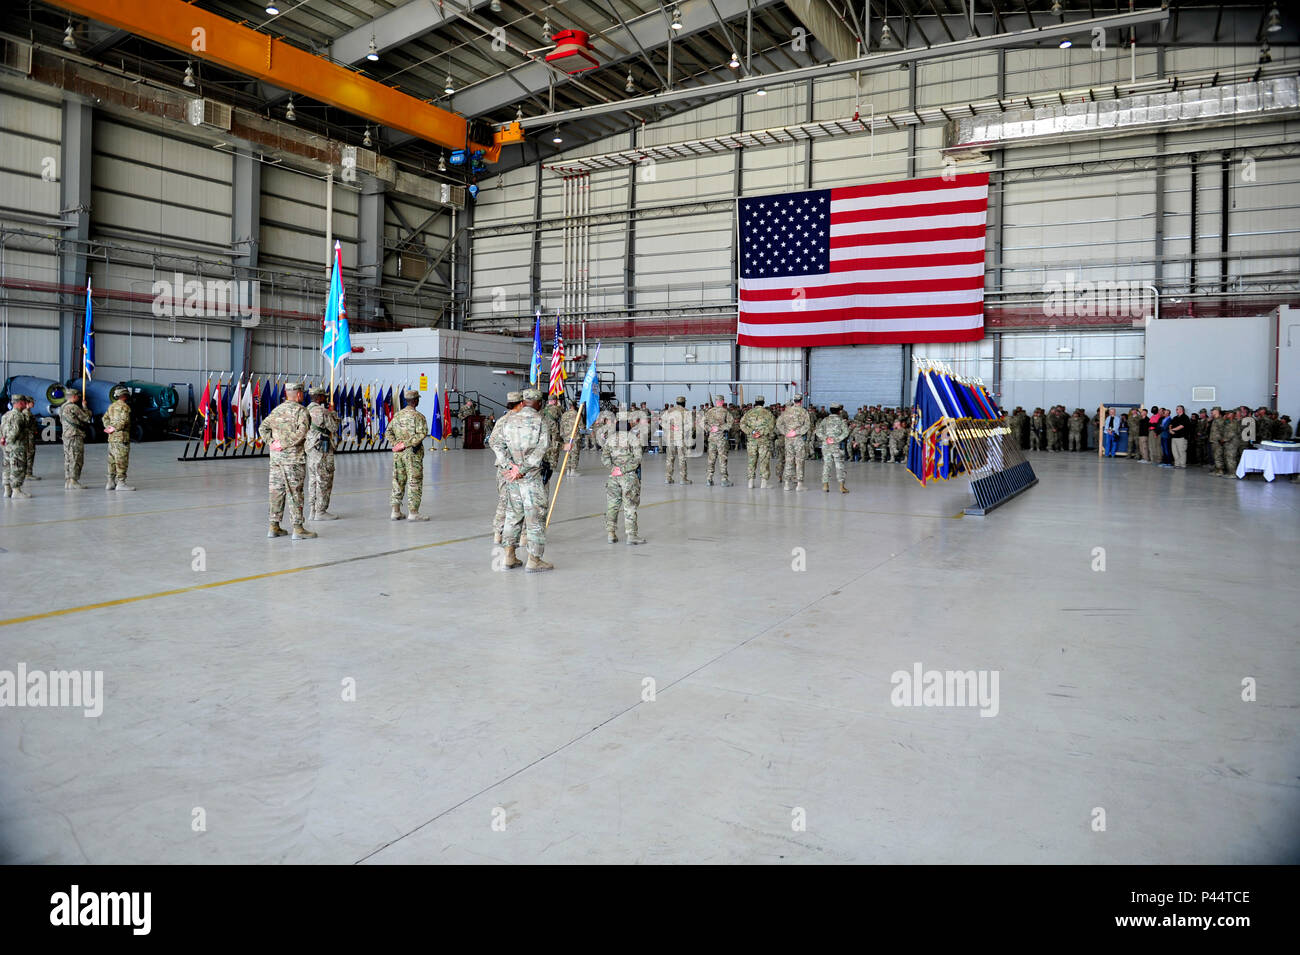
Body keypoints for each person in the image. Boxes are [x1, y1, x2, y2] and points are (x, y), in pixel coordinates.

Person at [491, 388, 552, 572]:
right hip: (531, 479)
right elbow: (541, 451)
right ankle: (534, 560)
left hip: (513, 479)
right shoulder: (541, 421)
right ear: (539, 403)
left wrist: (510, 467)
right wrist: (522, 469)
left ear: (524, 401)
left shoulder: (508, 419)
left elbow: (495, 443)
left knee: (512, 516)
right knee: (535, 519)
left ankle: (509, 556)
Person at [258, 381, 315, 539]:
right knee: (295, 492)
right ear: (298, 394)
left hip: (276, 460)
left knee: (276, 492)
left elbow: (263, 427)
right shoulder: (301, 411)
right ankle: (298, 529)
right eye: (302, 393)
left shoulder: (277, 410)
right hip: (293, 460)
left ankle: (273, 526)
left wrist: (272, 443)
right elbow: (302, 433)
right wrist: (284, 444)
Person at [388, 389, 429, 521]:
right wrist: (407, 444)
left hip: (398, 454)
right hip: (412, 454)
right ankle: (413, 513)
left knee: (398, 481)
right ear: (416, 401)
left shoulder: (397, 415)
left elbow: (388, 432)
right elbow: (421, 434)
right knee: (414, 481)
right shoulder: (419, 417)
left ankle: (395, 511)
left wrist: (397, 444)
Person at [603, 429, 646, 545]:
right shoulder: (633, 439)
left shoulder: (610, 439)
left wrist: (614, 469)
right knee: (630, 505)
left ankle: (611, 534)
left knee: (612, 505)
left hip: (613, 476)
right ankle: (631, 535)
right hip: (629, 477)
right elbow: (637, 458)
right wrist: (623, 469)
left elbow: (604, 458)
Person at [490, 392, 522, 544]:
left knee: (504, 500)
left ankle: (498, 533)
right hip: (520, 469)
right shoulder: (522, 421)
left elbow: (493, 442)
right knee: (521, 501)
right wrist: (513, 464)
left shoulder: (502, 420)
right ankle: (522, 536)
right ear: (521, 403)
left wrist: (505, 463)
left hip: (504, 468)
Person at [306, 386, 340, 520]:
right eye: (324, 396)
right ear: (319, 397)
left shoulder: (306, 410)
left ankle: (312, 510)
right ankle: (321, 511)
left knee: (313, 480)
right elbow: (334, 427)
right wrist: (333, 414)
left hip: (311, 449)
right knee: (324, 479)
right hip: (322, 449)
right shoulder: (322, 411)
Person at [775, 393, 812, 490]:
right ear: (801, 400)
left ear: (794, 401)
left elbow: (778, 424)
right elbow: (807, 426)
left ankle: (786, 484)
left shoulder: (786, 411)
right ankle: (799, 484)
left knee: (788, 460)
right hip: (798, 439)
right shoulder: (804, 412)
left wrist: (786, 432)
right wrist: (796, 432)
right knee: (799, 460)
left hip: (788, 439)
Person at [58, 387, 92, 489]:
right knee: (76, 458)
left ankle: (68, 480)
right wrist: (85, 407)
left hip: (66, 435)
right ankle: (73, 480)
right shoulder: (74, 407)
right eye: (77, 396)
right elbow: (86, 418)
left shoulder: (62, 407)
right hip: (75, 435)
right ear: (74, 396)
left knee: (68, 457)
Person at [102, 385, 135, 490]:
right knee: (121, 460)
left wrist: (109, 427)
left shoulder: (111, 406)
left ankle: (110, 482)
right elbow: (123, 422)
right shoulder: (125, 407)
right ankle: (121, 483)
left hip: (111, 439)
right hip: (121, 438)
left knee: (111, 460)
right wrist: (115, 428)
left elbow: (105, 418)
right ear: (124, 396)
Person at [1, 394, 33, 498]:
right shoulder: (18, 416)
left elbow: (2, 429)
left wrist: (3, 440)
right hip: (16, 446)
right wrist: (10, 441)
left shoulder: (6, 415)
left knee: (7, 467)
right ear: (20, 403)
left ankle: (7, 490)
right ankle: (16, 491)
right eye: (24, 402)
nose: (26, 404)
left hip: (6, 447)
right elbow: (15, 431)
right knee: (17, 467)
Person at [739, 396, 775, 488]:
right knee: (764, 461)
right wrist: (761, 433)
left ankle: (750, 482)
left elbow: (742, 424)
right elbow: (771, 426)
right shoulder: (768, 413)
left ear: (755, 402)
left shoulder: (748, 413)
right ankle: (764, 483)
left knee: (751, 461)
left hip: (752, 441)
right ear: (763, 402)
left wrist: (752, 432)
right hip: (763, 441)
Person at [815, 403, 850, 493]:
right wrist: (836, 439)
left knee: (827, 464)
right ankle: (842, 487)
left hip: (826, 445)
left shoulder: (825, 420)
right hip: (836, 446)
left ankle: (825, 485)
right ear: (839, 411)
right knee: (839, 465)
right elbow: (846, 433)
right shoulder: (841, 420)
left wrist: (826, 439)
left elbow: (818, 431)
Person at [700, 395, 735, 487]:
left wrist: (710, 428)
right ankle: (724, 479)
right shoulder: (725, 412)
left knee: (711, 459)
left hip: (711, 439)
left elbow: (701, 423)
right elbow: (730, 423)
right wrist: (720, 428)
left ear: (716, 401)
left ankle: (709, 479)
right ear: (722, 401)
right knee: (722, 459)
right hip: (721, 439)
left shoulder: (709, 412)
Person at [660, 396, 692, 484]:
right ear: (684, 402)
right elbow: (690, 425)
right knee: (682, 459)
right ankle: (683, 479)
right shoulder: (686, 411)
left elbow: (661, 421)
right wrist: (680, 428)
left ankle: (668, 478)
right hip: (680, 438)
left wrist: (670, 427)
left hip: (670, 438)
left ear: (676, 402)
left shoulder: (669, 411)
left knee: (669, 458)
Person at [559, 400, 583, 476]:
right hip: (574, 436)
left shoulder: (564, 414)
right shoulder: (577, 414)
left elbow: (561, 426)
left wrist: (562, 435)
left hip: (566, 436)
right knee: (574, 453)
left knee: (568, 453)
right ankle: (573, 471)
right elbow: (581, 426)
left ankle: (568, 471)